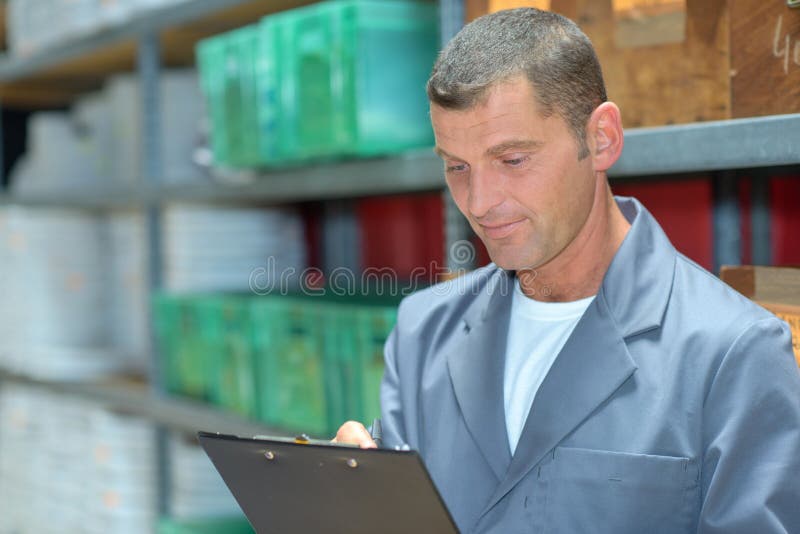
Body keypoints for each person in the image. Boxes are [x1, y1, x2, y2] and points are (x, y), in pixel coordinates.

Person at [335, 8, 800, 533]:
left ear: (601, 138)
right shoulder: (422, 331)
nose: (481, 203)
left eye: (513, 159)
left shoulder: (733, 353)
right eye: (457, 167)